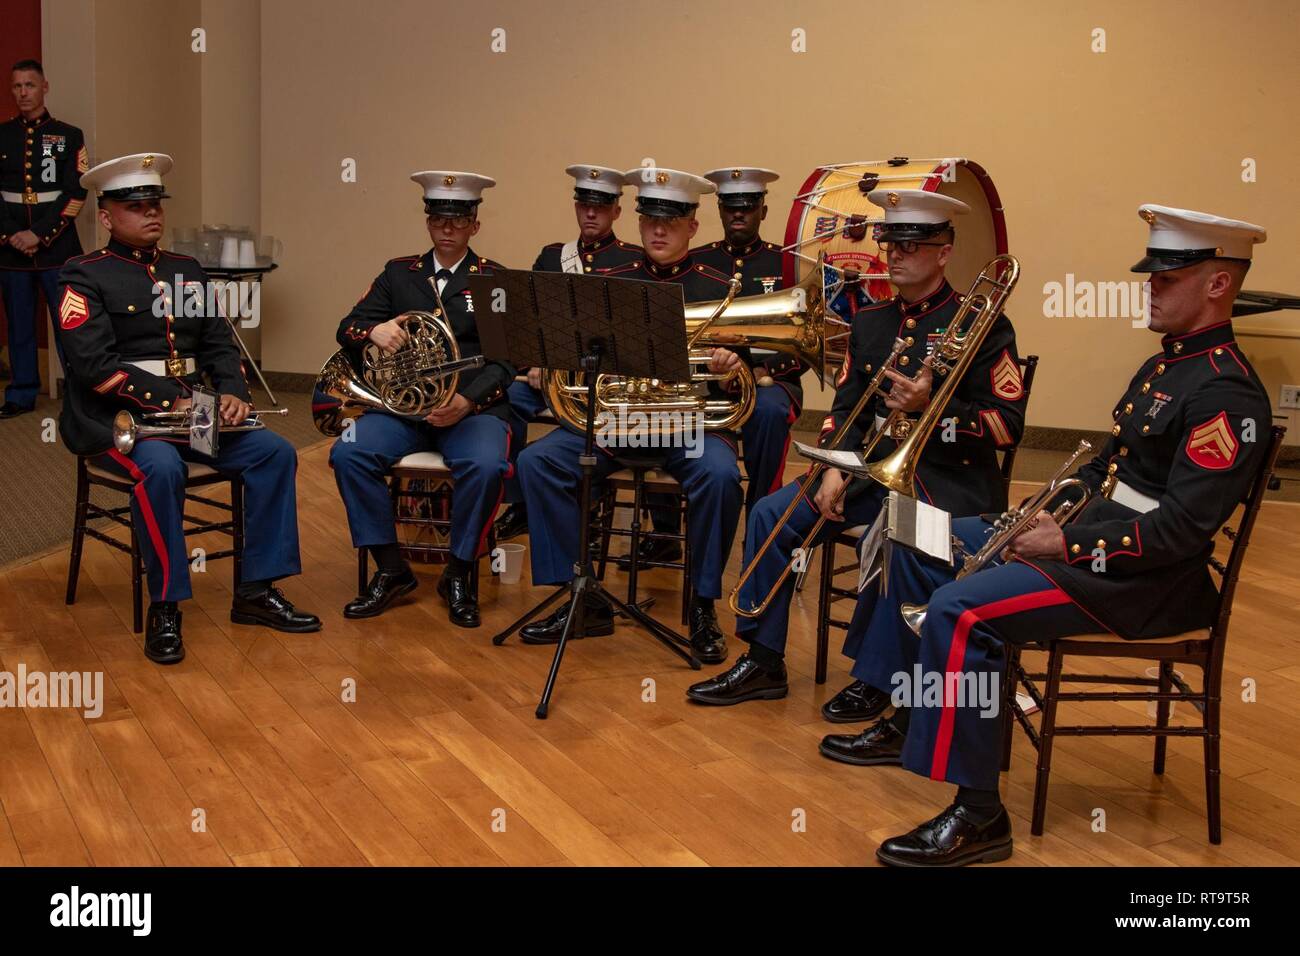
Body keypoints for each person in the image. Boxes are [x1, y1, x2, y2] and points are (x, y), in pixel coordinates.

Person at [835, 204, 1270, 867]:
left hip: (1141, 581)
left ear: (1217, 284)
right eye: (1150, 274)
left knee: (959, 609)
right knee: (916, 533)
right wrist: (1038, 514)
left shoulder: (1226, 395)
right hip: (1092, 541)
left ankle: (978, 815)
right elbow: (1105, 467)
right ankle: (912, 713)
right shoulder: (1166, 368)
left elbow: (1180, 531)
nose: (1149, 286)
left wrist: (1063, 545)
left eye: (1167, 277)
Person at [686, 189, 1026, 704]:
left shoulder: (987, 325)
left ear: (944, 252)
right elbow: (846, 410)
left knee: (896, 539)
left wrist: (934, 410)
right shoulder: (871, 321)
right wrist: (832, 469)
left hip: (947, 483)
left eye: (912, 246)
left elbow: (1007, 426)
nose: (896, 255)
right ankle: (762, 659)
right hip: (870, 472)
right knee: (772, 514)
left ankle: (877, 681)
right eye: (891, 243)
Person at [58, 153, 318, 663]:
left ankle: (256, 591)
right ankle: (167, 604)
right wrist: (173, 399)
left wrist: (235, 396)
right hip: (118, 422)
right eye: (135, 207)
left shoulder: (186, 270)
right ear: (106, 216)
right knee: (160, 468)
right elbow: (95, 368)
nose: (151, 213)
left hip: (192, 416)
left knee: (274, 453)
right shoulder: (83, 274)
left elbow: (220, 345)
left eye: (155, 204)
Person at [513, 167, 744, 662]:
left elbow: (756, 366)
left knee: (722, 478)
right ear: (638, 222)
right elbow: (578, 356)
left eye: (672, 221)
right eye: (650, 219)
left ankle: (702, 604)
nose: (658, 230)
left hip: (690, 427)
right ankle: (581, 594)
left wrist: (730, 368)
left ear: (693, 227)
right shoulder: (610, 282)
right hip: (620, 425)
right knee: (538, 463)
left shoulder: (720, 285)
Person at [329, 170, 511, 628]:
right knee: (348, 452)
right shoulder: (398, 274)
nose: (447, 228)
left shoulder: (494, 279)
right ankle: (391, 569)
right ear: (428, 220)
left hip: (470, 410)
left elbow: (506, 362)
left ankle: (459, 570)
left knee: (487, 466)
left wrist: (466, 402)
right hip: (405, 411)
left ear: (475, 224)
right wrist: (374, 330)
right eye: (438, 218)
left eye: (458, 219)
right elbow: (346, 327)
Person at [495, 165, 641, 541]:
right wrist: (534, 362)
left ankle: (582, 503)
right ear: (577, 207)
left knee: (578, 417)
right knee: (505, 398)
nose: (591, 213)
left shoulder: (634, 262)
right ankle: (520, 502)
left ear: (616, 212)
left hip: (603, 385)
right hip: (551, 377)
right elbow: (529, 321)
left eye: (601, 207)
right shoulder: (551, 257)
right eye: (584, 205)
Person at [694, 166, 804, 518]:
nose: (738, 213)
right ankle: (666, 527)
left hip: (770, 379)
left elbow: (805, 338)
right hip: (706, 380)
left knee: (769, 410)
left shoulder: (786, 263)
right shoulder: (697, 262)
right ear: (721, 211)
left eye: (747, 206)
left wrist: (760, 370)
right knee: (665, 411)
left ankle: (761, 511)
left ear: (763, 211)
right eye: (730, 206)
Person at [0, 59, 87, 418]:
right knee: (19, 323)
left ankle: (80, 397)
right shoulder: (1, 135)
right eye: (17, 86)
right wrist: (11, 235)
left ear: (44, 87)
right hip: (11, 250)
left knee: (70, 325)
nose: (23, 93)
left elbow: (76, 193)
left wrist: (39, 234)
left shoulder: (69, 135)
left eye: (30, 85)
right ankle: (21, 394)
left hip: (58, 247)